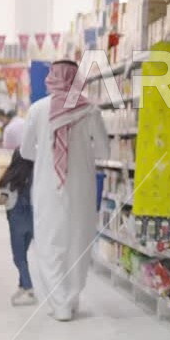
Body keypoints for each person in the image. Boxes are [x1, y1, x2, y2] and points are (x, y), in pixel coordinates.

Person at [20, 61, 109, 321]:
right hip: (81, 187)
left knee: (49, 243)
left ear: (51, 78)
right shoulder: (90, 110)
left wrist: (49, 154)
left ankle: (59, 303)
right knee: (78, 241)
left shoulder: (37, 110)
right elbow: (104, 151)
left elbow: (26, 151)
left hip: (48, 187)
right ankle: (71, 299)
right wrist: (81, 151)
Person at [0, 147, 36, 306]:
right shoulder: (36, 176)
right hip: (33, 219)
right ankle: (22, 285)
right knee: (23, 254)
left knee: (18, 256)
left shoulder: (10, 177)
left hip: (16, 219)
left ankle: (28, 287)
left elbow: (3, 199)